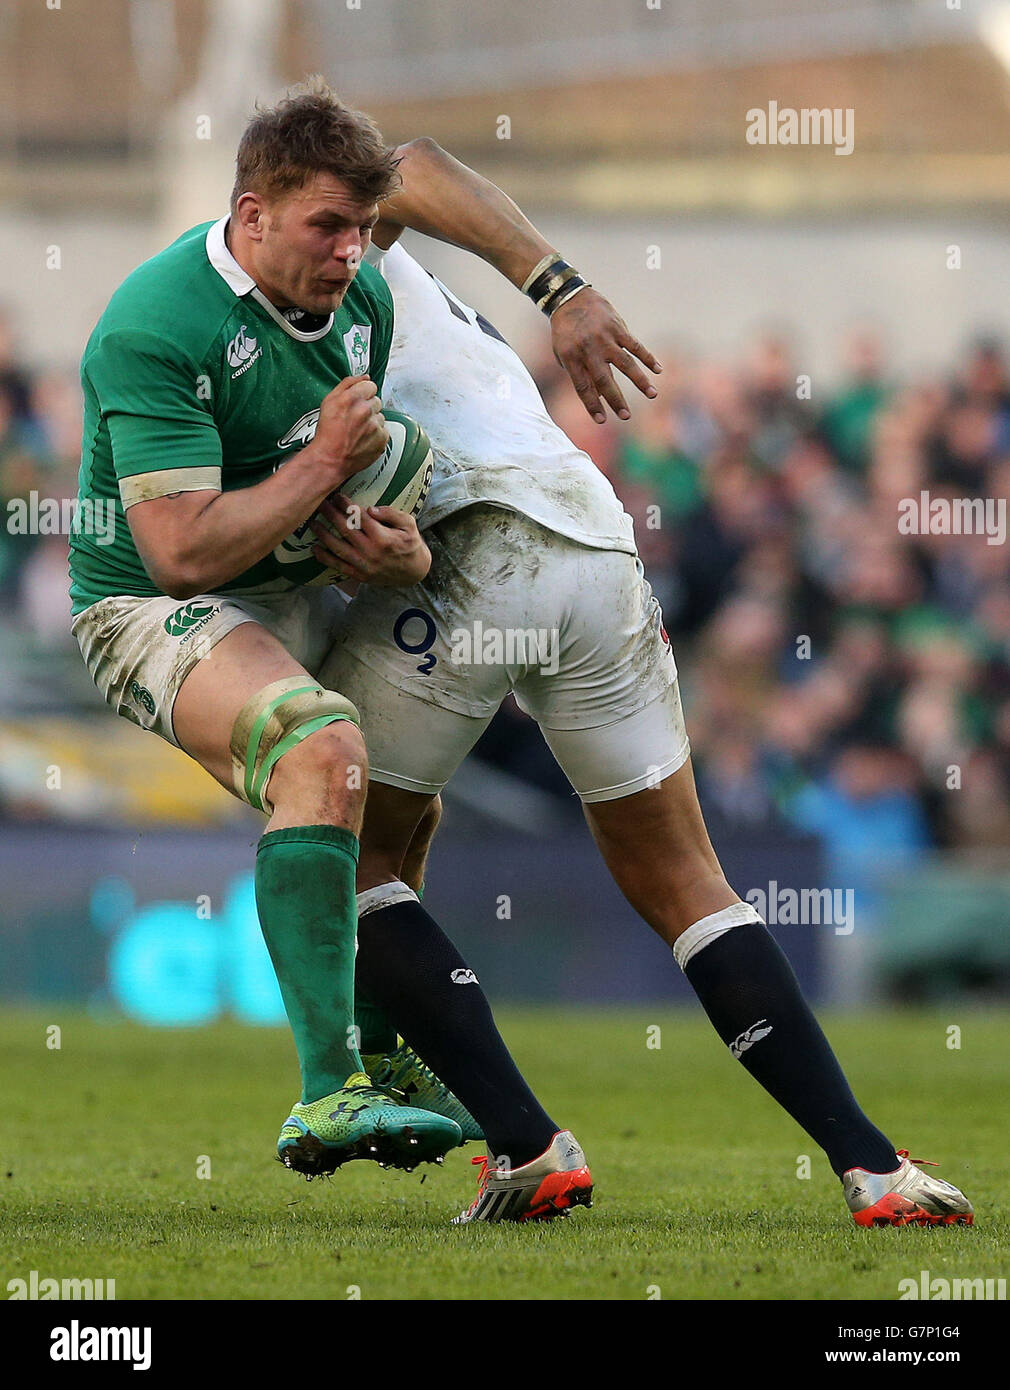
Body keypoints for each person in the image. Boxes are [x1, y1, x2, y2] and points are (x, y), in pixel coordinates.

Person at [312, 136, 974, 1229]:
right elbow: (412, 167)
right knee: (684, 880)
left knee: (345, 859)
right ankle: (871, 1165)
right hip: (595, 543)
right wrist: (558, 288)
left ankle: (527, 1146)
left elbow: (406, 165)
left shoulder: (300, 275)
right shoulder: (374, 258)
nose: (340, 237)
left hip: (473, 552)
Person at [68, 83, 469, 1176]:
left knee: (401, 792)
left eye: (361, 229)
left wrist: (402, 553)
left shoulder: (365, 310)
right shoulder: (158, 321)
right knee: (320, 745)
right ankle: (324, 1089)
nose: (352, 252)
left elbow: (355, 500)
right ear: (251, 217)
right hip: (150, 605)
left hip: (288, 591)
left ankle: (387, 1057)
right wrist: (324, 468)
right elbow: (181, 552)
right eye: (326, 227)